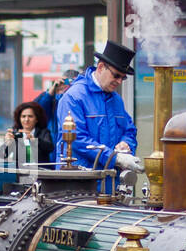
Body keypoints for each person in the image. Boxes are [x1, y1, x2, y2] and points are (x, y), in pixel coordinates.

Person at [56, 41, 140, 192]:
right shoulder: (73, 97)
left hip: (110, 185)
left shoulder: (116, 100)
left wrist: (126, 144)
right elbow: (77, 140)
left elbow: (130, 130)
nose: (119, 81)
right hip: (80, 186)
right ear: (101, 67)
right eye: (116, 75)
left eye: (123, 78)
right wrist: (116, 158)